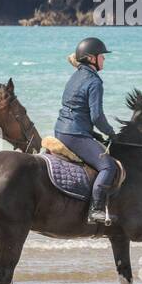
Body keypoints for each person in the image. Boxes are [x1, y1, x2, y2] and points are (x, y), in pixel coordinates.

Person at [54, 36, 118, 225]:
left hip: (61, 130)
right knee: (108, 166)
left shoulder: (76, 75)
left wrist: (94, 134)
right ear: (91, 59)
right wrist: (111, 132)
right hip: (75, 134)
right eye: (102, 56)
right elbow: (97, 117)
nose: (104, 59)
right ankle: (96, 210)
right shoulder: (94, 82)